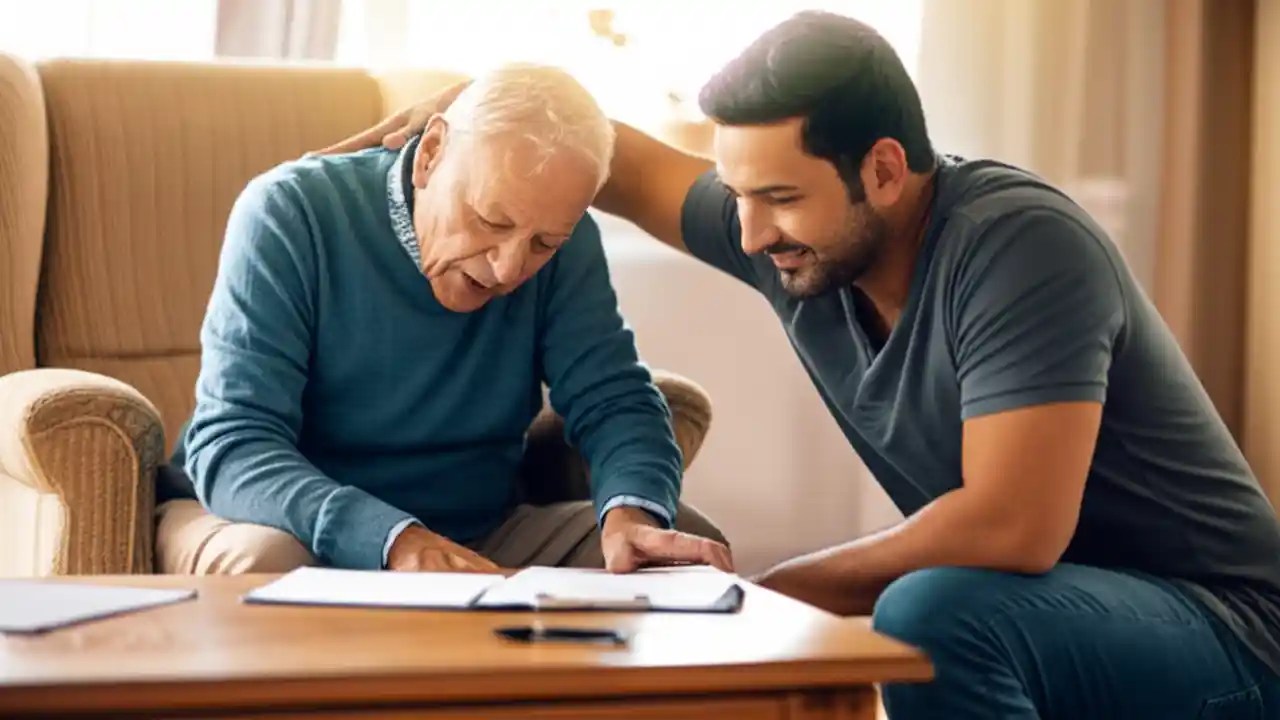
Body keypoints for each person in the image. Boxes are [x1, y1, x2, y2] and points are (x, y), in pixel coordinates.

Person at [318, 10, 1280, 719]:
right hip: (1058, 608)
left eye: (777, 195)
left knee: (935, 611)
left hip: (1224, 626)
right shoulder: (797, 235)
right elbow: (615, 160)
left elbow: (1014, 526)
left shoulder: (1020, 247)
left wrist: (758, 595)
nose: (746, 232)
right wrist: (476, 116)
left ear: (887, 171)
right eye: (736, 191)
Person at [157, 63, 732, 578]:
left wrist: (632, 512)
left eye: (542, 244)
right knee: (270, 565)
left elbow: (614, 398)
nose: (510, 268)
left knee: (679, 554)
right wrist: (392, 539)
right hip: (272, 524)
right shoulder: (290, 211)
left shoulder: (567, 237)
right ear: (431, 153)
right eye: (490, 219)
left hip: (474, 536)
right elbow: (232, 446)